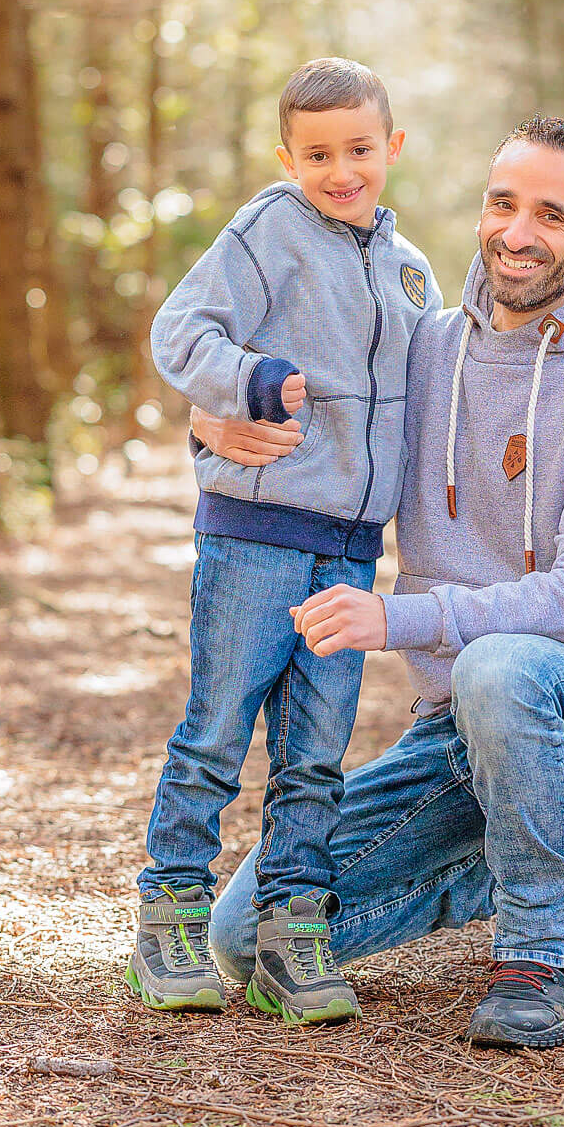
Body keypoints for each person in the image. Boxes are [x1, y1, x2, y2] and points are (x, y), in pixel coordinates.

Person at [194, 116, 564, 1049]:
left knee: (500, 666)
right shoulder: (422, 350)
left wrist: (399, 617)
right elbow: (310, 420)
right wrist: (214, 426)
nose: (518, 233)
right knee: (248, 941)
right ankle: (520, 846)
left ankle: (541, 957)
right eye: (503, 204)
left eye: (551, 213)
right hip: (454, 724)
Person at [127, 57, 440, 1026]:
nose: (340, 169)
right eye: (317, 153)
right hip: (256, 535)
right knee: (218, 729)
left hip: (348, 552)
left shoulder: (408, 268)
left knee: (316, 752)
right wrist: (244, 384)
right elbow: (179, 330)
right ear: (286, 155)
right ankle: (169, 915)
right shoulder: (268, 228)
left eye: (358, 149)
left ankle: (290, 930)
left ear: (392, 146)